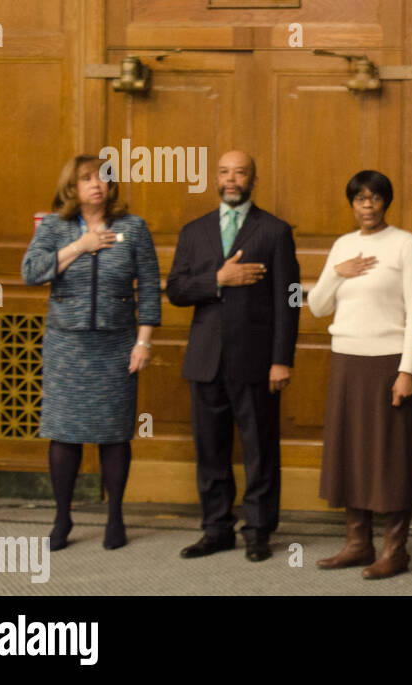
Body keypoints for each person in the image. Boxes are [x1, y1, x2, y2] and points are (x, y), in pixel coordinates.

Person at [21, 153, 161, 551]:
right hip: (67, 345)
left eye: (103, 178)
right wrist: (80, 246)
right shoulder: (54, 226)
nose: (96, 185)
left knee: (115, 434)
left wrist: (144, 341)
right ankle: (62, 517)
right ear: (73, 187)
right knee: (64, 435)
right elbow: (31, 272)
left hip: (117, 344)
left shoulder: (133, 228)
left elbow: (149, 286)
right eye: (86, 179)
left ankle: (115, 515)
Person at [166, 150, 301, 563]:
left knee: (260, 448)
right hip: (205, 360)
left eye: (239, 172)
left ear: (252, 180)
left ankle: (258, 530)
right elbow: (175, 290)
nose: (231, 179)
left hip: (258, 361)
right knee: (210, 448)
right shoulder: (194, 231)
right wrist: (218, 280)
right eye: (224, 172)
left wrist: (282, 360)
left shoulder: (274, 231)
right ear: (215, 178)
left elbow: (289, 300)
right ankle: (216, 528)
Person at [307, 170, 412, 579]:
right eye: (359, 198)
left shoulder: (405, 245)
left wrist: (406, 371)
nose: (367, 205)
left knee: (389, 456)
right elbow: (318, 306)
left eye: (374, 198)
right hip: (346, 363)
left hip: (387, 365)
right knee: (350, 452)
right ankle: (358, 544)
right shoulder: (343, 246)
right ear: (351, 203)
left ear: (385, 202)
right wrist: (337, 272)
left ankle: (395, 551)